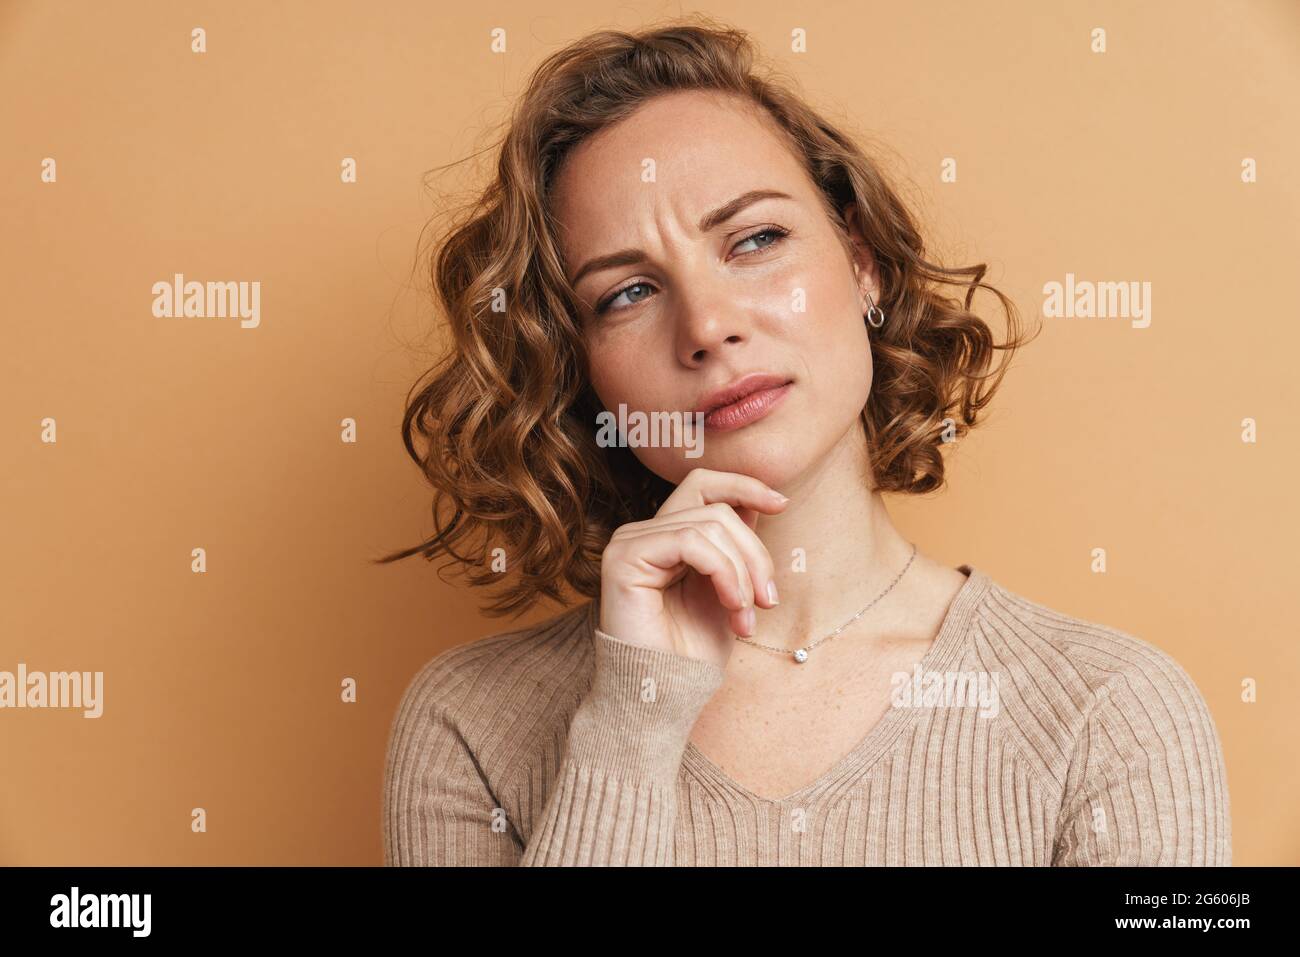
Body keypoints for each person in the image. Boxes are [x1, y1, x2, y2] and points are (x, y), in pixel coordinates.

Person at [376, 19, 1230, 866]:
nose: (708, 327)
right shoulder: (469, 725)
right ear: (580, 369)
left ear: (863, 263)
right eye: (628, 292)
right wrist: (633, 719)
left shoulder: (1113, 711)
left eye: (755, 240)